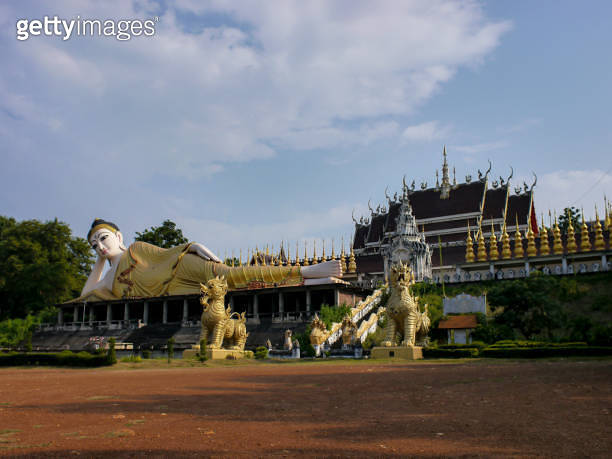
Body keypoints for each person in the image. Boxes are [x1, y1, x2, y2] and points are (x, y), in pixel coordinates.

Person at [76, 219, 343, 302]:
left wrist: (193, 246)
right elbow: (84, 297)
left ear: (118, 236)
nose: (100, 246)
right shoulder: (109, 280)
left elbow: (165, 254)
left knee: (232, 275)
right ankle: (309, 279)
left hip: (181, 266)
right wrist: (100, 263)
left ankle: (306, 270)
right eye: (94, 244)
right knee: (235, 289)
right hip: (175, 290)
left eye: (103, 238)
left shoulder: (136, 249)